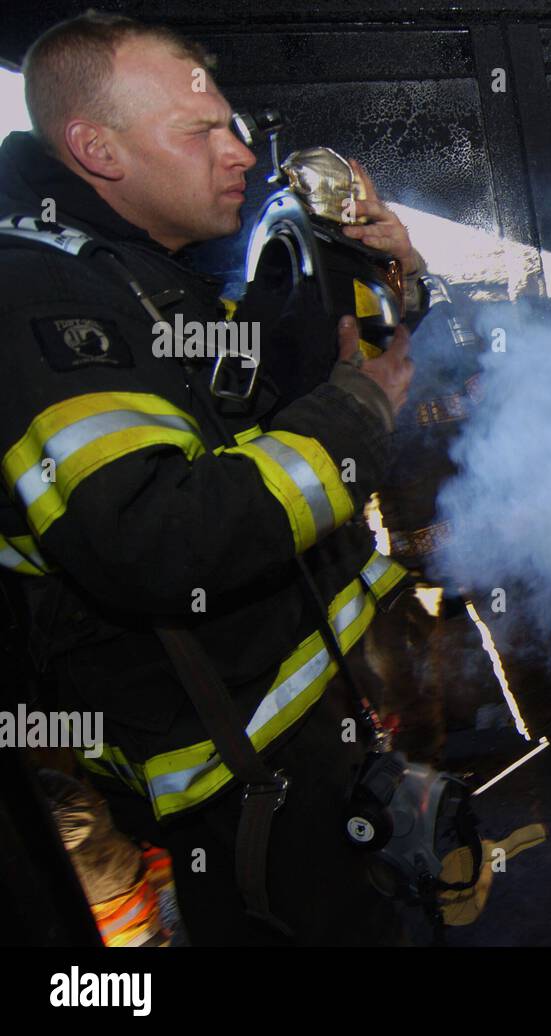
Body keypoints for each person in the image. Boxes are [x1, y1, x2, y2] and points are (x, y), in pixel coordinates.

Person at [0, 12, 423, 944]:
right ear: (95, 148)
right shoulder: (36, 300)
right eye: (202, 132)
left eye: (234, 128)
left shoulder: (151, 281)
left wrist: (380, 265)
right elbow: (158, 539)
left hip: (299, 732)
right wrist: (358, 418)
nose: (240, 154)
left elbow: (314, 363)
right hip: (225, 783)